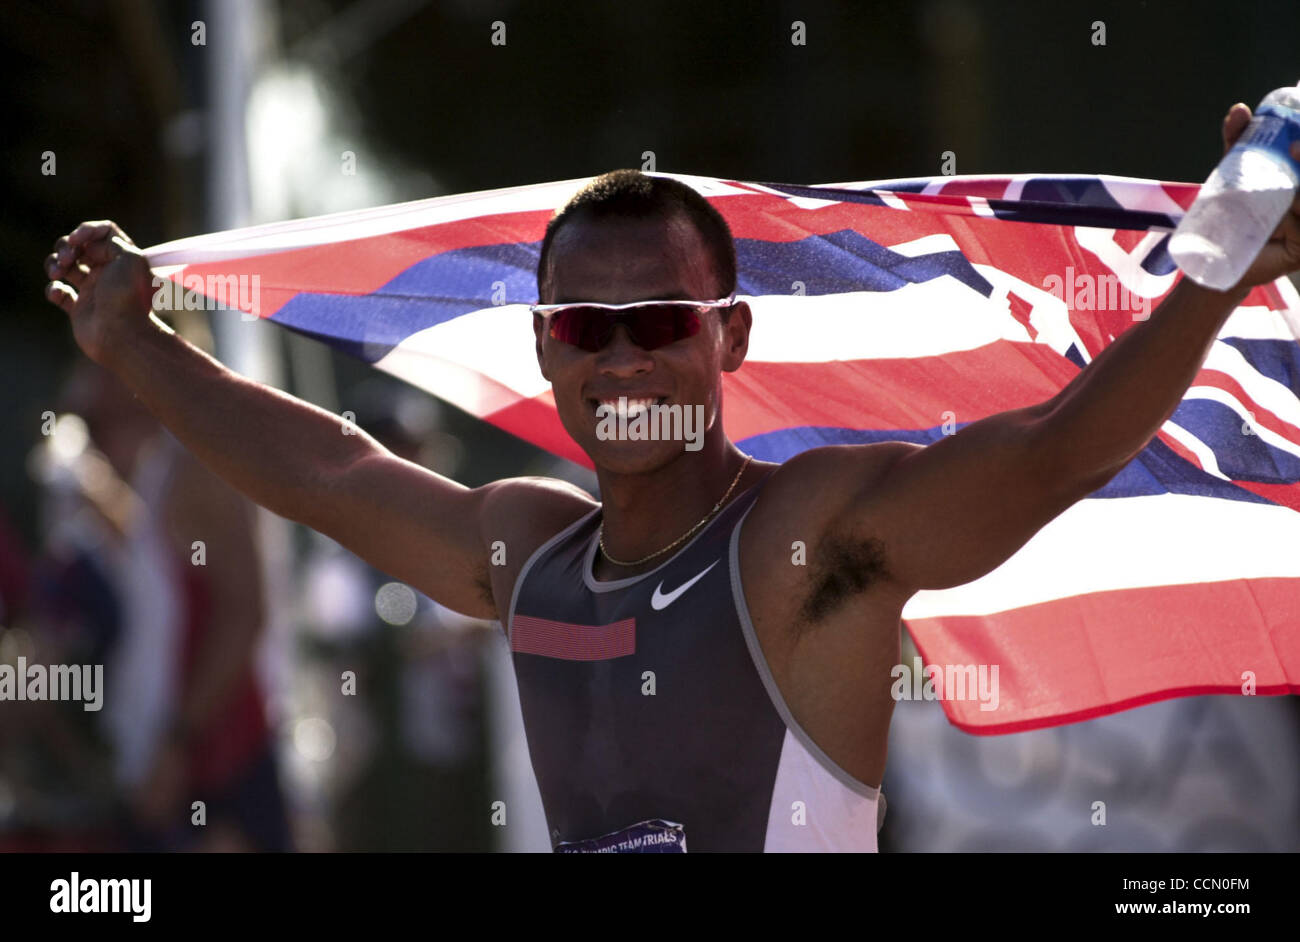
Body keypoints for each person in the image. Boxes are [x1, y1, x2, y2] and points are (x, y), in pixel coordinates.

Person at [43, 104, 1300, 852]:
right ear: (546, 348)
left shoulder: (807, 540)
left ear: (729, 340)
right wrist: (137, 348)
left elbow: (1059, 448)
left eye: (661, 322)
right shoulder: (529, 557)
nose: (623, 355)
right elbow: (327, 469)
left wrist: (1218, 273)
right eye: (588, 328)